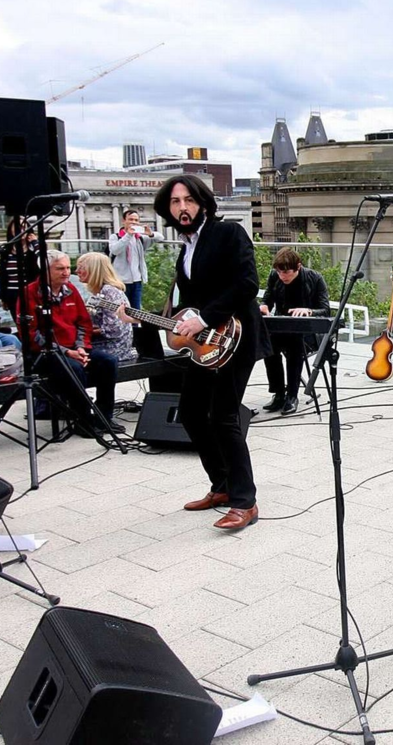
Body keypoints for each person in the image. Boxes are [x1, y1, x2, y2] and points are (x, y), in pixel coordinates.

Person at [154, 174, 270, 532]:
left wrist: (204, 317)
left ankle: (244, 501)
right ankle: (221, 486)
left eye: (188, 200)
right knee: (189, 411)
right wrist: (161, 318)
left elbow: (247, 283)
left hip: (236, 337)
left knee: (223, 416)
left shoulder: (228, 233)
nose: (182, 207)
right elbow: (190, 301)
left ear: (202, 202)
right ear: (167, 209)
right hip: (206, 344)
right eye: (175, 202)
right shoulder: (186, 248)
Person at [22, 250, 122, 435]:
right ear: (45, 271)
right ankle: (82, 420)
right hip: (45, 353)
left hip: (75, 349)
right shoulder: (30, 293)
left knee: (109, 361)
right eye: (60, 269)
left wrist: (81, 347)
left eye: (68, 267)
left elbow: (83, 322)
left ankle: (103, 418)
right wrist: (67, 352)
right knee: (73, 368)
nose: (67, 272)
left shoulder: (71, 290)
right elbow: (31, 333)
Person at [258, 247, 329, 415]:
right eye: (279, 273)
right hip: (283, 329)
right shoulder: (274, 276)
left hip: (309, 334)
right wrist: (264, 306)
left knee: (294, 345)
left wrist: (308, 311)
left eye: (287, 273)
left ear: (298, 267)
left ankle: (292, 395)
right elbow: (267, 299)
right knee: (268, 346)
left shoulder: (315, 278)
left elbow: (325, 310)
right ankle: (279, 393)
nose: (283, 277)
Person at [76, 252, 138, 362]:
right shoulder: (100, 291)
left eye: (81, 268)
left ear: (93, 270)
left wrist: (86, 331)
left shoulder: (109, 292)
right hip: (106, 344)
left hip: (112, 349)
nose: (77, 272)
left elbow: (114, 330)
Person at [109, 209, 164, 309]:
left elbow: (160, 238)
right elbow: (115, 250)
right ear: (124, 221)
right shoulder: (115, 237)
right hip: (120, 281)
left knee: (135, 310)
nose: (133, 222)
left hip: (136, 280)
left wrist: (150, 233)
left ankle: (135, 325)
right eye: (130, 219)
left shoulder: (140, 238)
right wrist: (128, 235)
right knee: (121, 310)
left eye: (136, 220)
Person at [0, 217, 40, 314]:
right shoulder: (6, 251)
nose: (20, 230)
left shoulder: (33, 249)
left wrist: (35, 242)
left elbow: (43, 260)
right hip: (12, 294)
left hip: (31, 293)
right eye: (17, 227)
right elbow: (3, 276)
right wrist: (3, 297)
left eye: (23, 227)